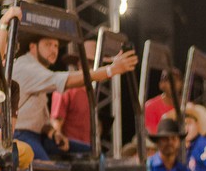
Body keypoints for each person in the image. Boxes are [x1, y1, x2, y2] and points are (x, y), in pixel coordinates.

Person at [12, 32, 136, 163]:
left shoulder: (43, 74)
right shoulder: (28, 68)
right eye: (48, 44)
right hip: (21, 133)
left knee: (94, 155)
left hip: (40, 135)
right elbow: (57, 115)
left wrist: (54, 133)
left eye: (56, 46)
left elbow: (40, 120)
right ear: (32, 47)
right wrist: (110, 70)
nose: (53, 49)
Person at [144, 67, 182, 136]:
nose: (174, 83)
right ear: (161, 85)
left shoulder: (186, 105)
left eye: (177, 80)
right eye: (170, 80)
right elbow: (152, 133)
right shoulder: (150, 106)